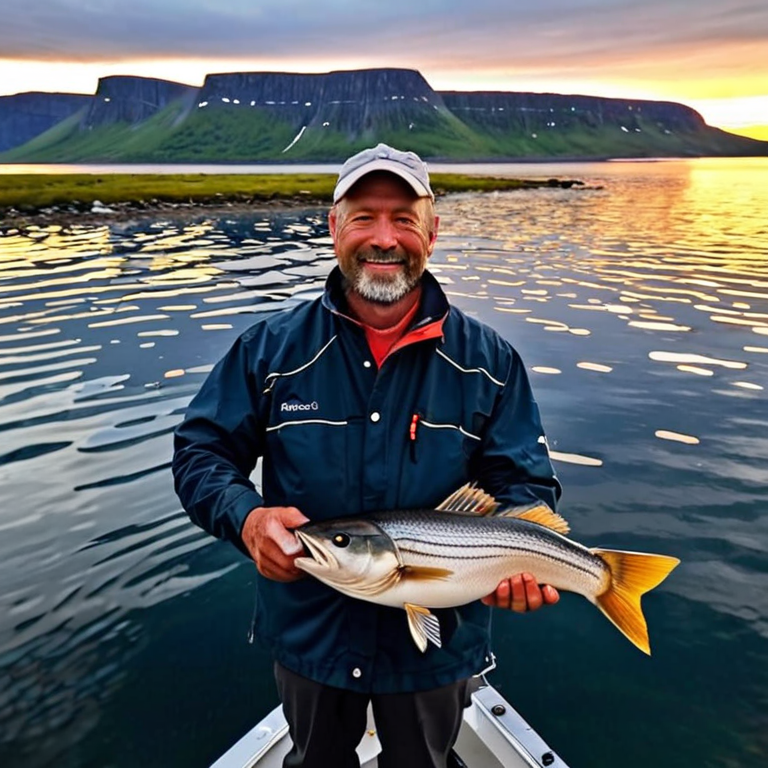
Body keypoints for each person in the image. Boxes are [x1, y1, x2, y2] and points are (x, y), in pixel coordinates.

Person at [172, 143, 562, 768]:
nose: (384, 238)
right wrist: (247, 517)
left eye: (404, 218)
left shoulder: (490, 362)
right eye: (363, 216)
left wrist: (520, 554)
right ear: (334, 229)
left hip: (438, 643)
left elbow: (524, 485)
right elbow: (201, 451)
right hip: (310, 630)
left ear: (432, 233)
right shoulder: (270, 352)